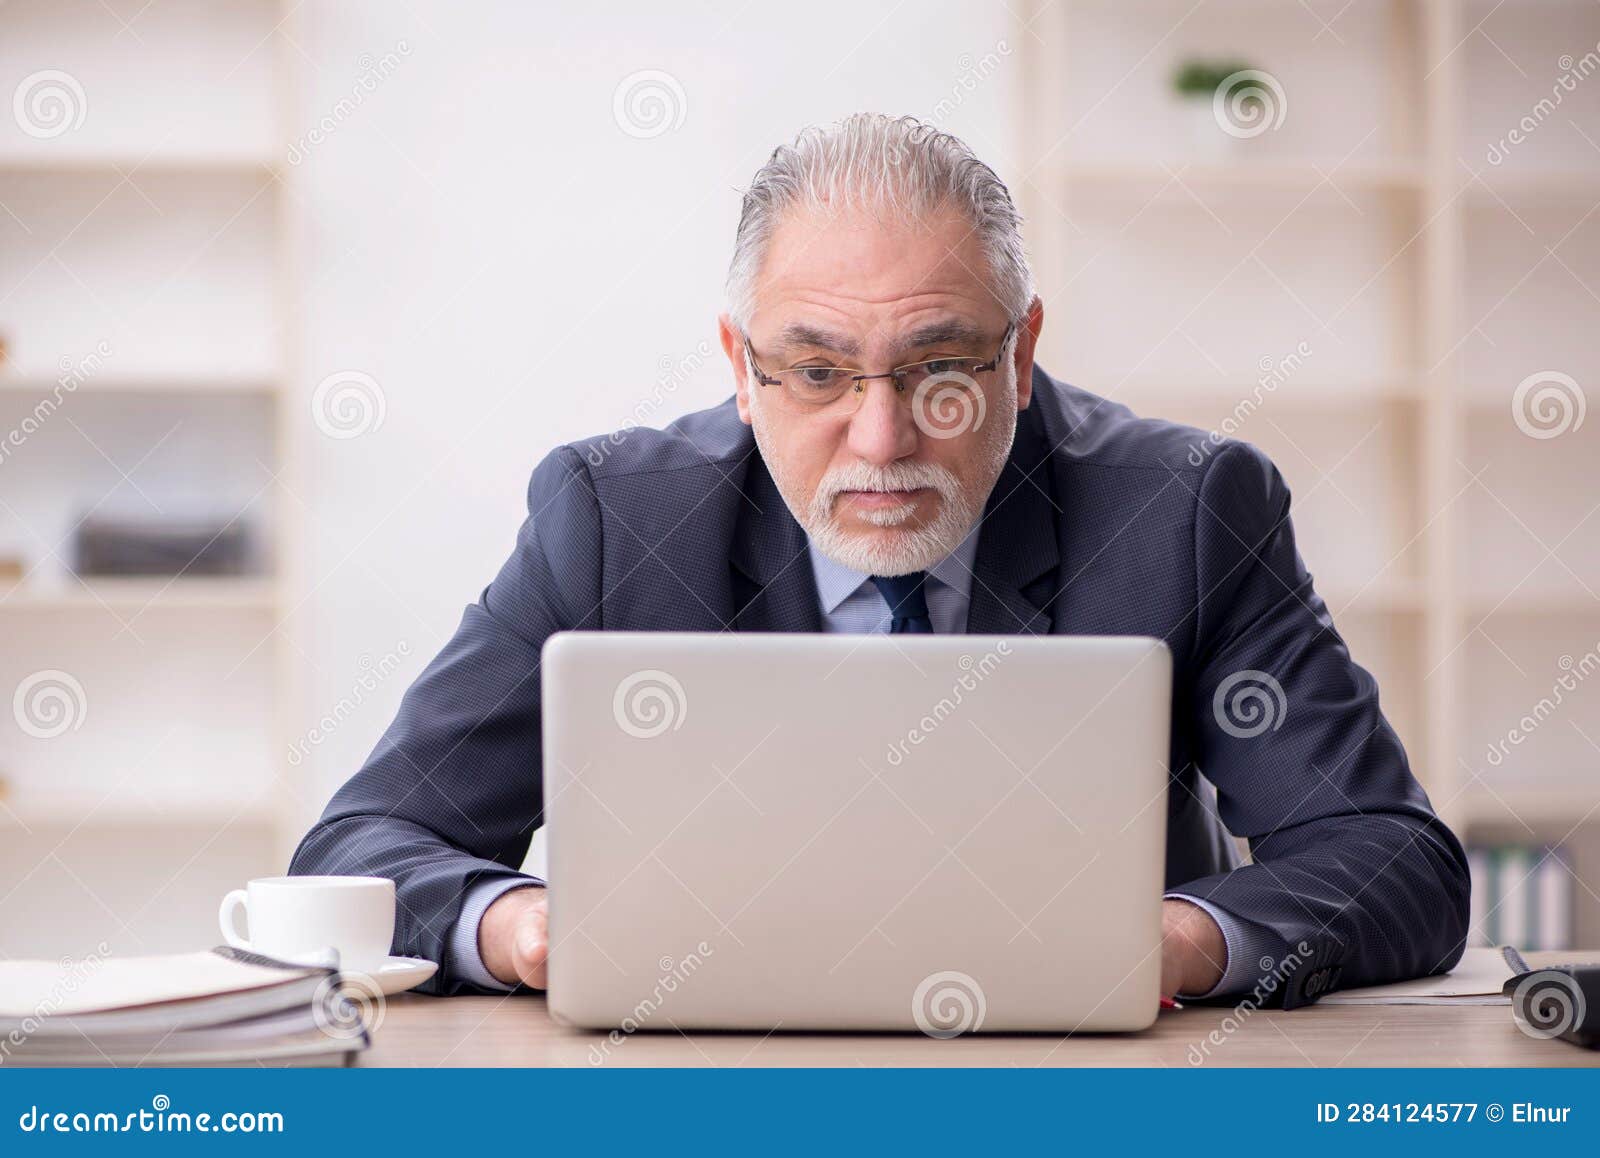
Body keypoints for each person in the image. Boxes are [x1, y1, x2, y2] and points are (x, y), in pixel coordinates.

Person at [291, 113, 1469, 1007]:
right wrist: (524, 929)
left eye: (940, 368)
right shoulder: (611, 519)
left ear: (1021, 354)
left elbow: (1392, 859)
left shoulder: (1185, 511)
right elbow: (360, 848)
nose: (882, 439)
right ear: (739, 366)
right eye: (817, 372)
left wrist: (1171, 942)